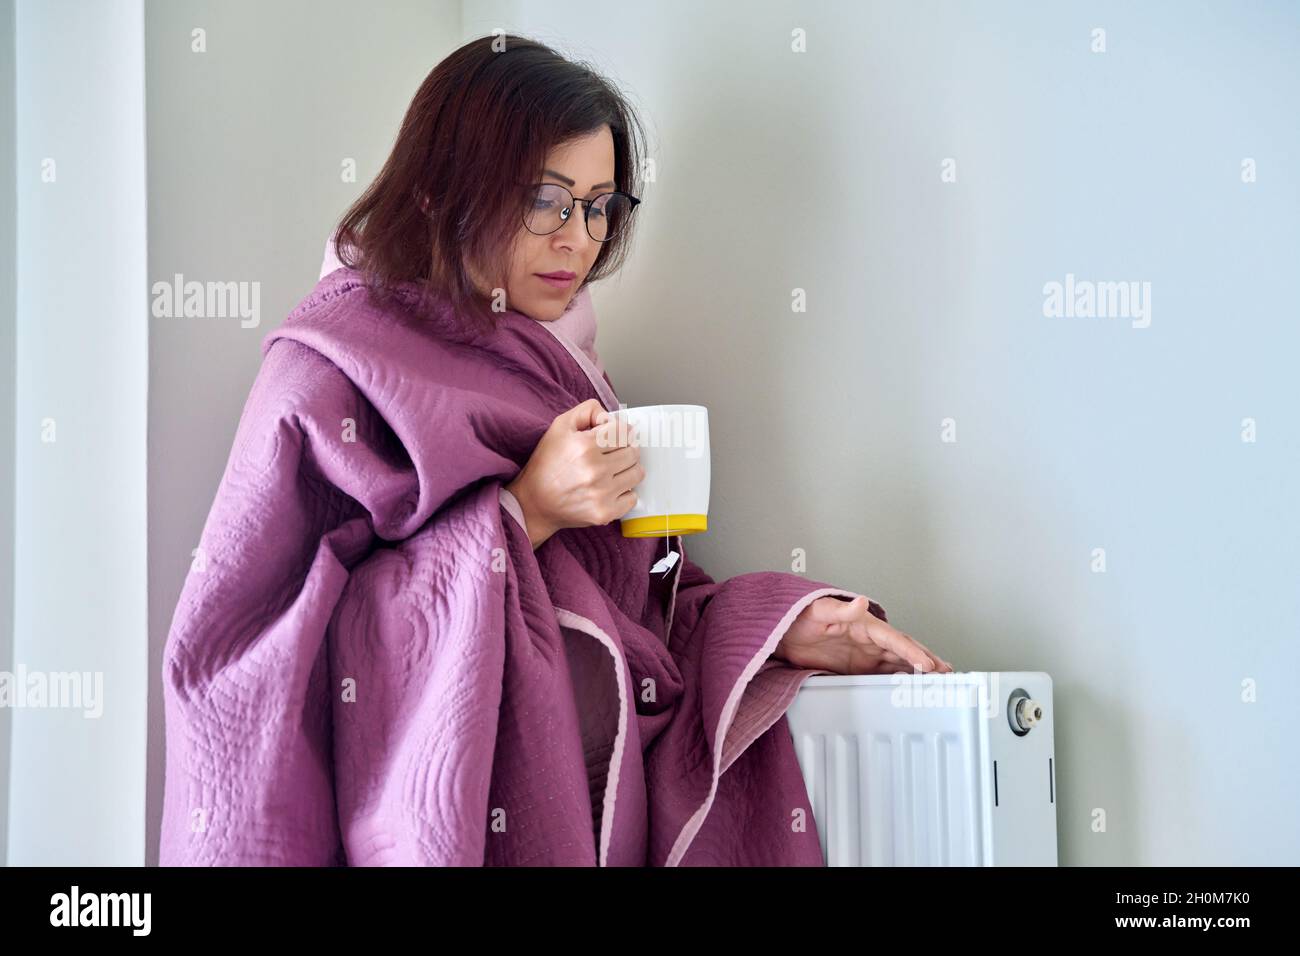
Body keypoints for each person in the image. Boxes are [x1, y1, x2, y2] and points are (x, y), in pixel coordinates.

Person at [159, 33, 951, 868]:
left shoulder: (563, 370)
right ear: (444, 190)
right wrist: (523, 512)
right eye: (548, 200)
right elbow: (263, 652)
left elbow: (634, 619)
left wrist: (789, 629)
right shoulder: (330, 369)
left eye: (602, 204)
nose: (579, 237)